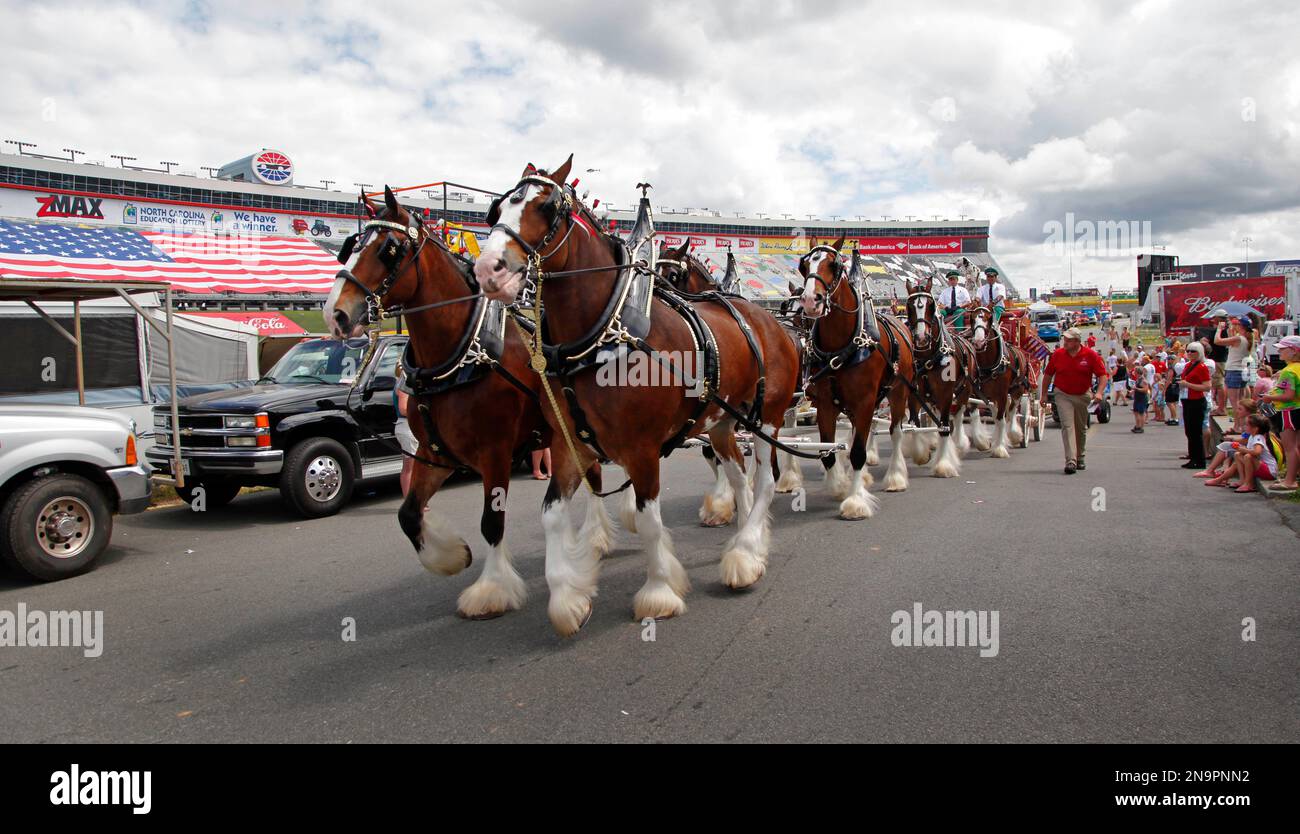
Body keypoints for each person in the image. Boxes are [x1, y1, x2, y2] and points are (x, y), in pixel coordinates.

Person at [1041, 328, 1108, 474]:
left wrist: (1099, 393)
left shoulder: (1090, 355)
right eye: (1064, 339)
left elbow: (1102, 375)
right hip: (1062, 394)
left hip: (1082, 395)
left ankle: (1080, 456)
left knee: (1080, 427)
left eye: (1069, 340)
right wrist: (1044, 395)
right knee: (1067, 426)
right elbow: (1048, 375)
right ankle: (1070, 460)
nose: (1065, 342)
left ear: (1077, 342)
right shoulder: (1058, 355)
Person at [1260, 334, 1300, 492]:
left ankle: (1290, 480)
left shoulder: (1289, 371)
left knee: (1290, 447)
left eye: (1283, 349)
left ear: (1294, 351)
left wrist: (1269, 397)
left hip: (1288, 410)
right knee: (1297, 445)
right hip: (1297, 409)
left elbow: (1288, 396)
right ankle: (1294, 474)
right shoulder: (1294, 369)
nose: (1280, 352)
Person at [1206, 415, 1279, 493]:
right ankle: (1241, 480)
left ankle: (1249, 484)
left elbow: (1257, 452)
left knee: (1248, 456)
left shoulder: (1258, 437)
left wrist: (1243, 449)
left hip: (1269, 471)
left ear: (1255, 428)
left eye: (1247, 425)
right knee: (1238, 455)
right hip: (1260, 467)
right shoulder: (1252, 436)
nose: (1244, 427)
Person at [1178, 342, 1212, 470]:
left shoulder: (1202, 367)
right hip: (1187, 399)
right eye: (1188, 351)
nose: (1190, 353)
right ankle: (1193, 457)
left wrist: (1188, 385)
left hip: (1197, 400)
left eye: (1193, 351)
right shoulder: (1188, 366)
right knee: (1189, 431)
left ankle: (1199, 459)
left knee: (1196, 432)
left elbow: (1207, 387)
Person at [1216, 316, 1254, 431]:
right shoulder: (1248, 339)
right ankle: (1241, 425)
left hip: (1234, 371)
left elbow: (1217, 341)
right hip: (1241, 371)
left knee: (1235, 403)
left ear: (1240, 326)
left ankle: (1238, 426)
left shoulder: (1239, 339)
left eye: (1236, 324)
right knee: (1241, 401)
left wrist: (1219, 329)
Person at [1131, 356, 1150, 433]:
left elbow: (1145, 390)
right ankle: (1137, 425)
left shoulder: (1143, 380)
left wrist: (1137, 389)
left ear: (1137, 372)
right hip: (1137, 398)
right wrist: (1133, 391)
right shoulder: (1138, 379)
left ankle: (1141, 427)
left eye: (1135, 371)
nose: (1134, 373)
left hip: (1141, 399)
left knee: (1141, 413)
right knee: (1136, 412)